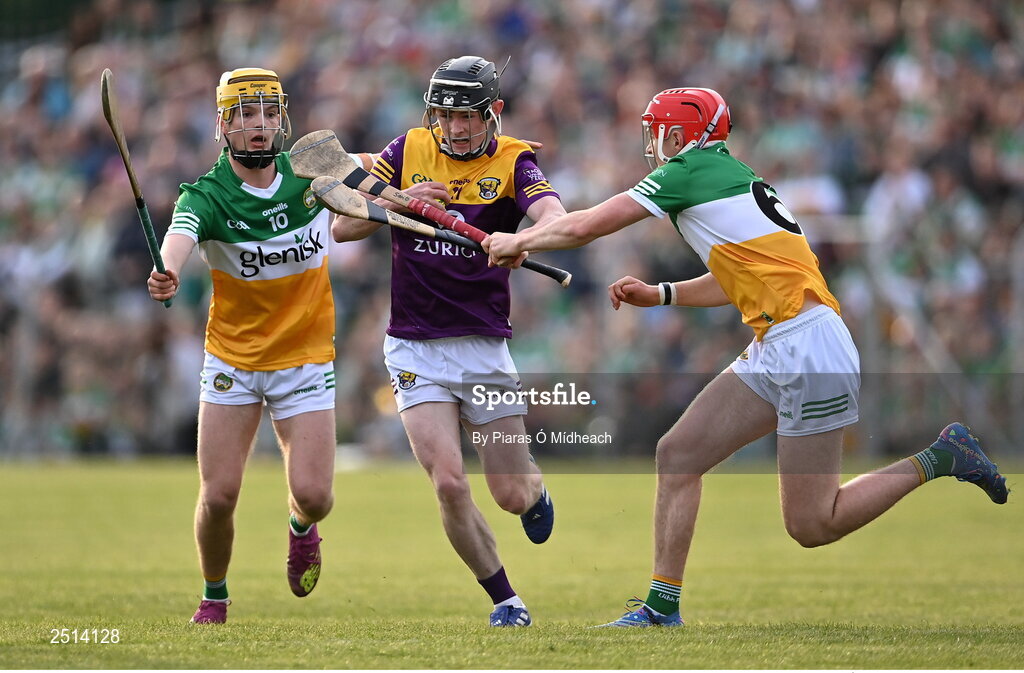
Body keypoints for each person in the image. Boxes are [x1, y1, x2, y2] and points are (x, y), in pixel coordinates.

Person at [484, 86, 1009, 627]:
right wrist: (662, 293)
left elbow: (586, 225)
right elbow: (734, 278)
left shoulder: (688, 170)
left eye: (659, 131)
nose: (652, 143)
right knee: (679, 453)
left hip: (808, 345)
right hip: (778, 341)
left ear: (685, 135)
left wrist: (520, 239)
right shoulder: (728, 176)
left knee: (812, 523)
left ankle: (941, 456)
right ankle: (662, 607)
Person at [331, 55, 564, 627]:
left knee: (509, 493)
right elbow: (343, 223)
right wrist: (400, 201)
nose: (456, 128)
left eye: (469, 117)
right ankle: (506, 600)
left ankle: (533, 489)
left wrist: (525, 236)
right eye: (445, 115)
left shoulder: (515, 160)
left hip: (482, 345)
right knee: (449, 482)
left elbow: (553, 215)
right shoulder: (406, 150)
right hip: (413, 344)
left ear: (495, 113)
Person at [147, 67, 354, 624]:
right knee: (218, 496)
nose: (257, 127)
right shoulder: (206, 195)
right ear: (223, 125)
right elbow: (180, 237)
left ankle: (300, 528)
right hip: (234, 361)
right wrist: (167, 270)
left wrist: (406, 198)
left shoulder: (313, 169)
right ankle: (215, 595)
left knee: (316, 497)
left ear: (281, 118)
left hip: (305, 357)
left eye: (266, 113)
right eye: (243, 115)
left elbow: (372, 187)